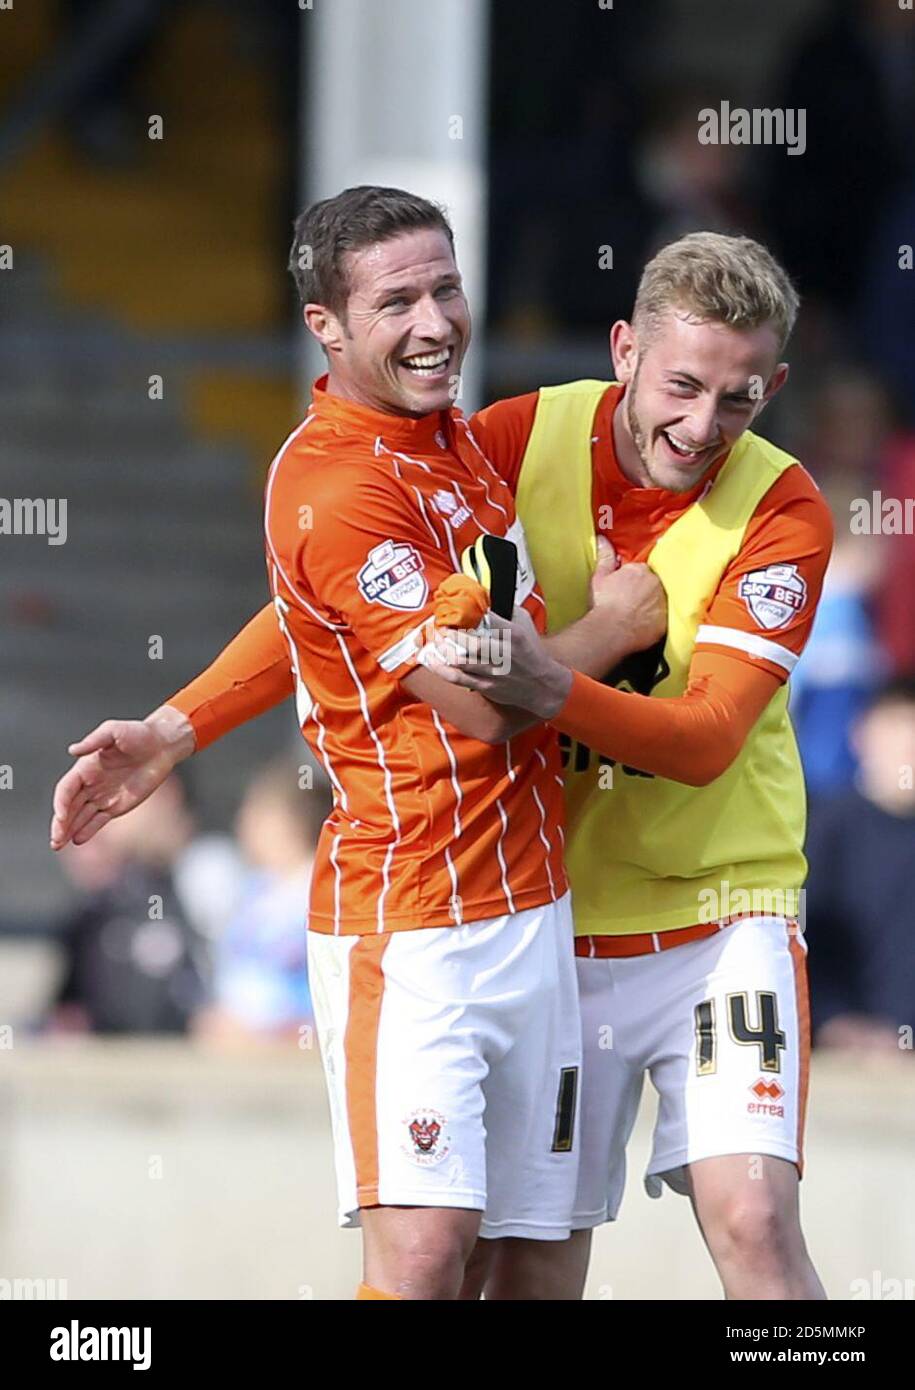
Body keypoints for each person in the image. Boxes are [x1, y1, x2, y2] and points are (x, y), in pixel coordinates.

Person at [49, 185, 665, 1301]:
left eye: (446, 288)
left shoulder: (462, 448)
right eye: (397, 301)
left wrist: (176, 727)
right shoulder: (335, 485)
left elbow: (303, 613)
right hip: (412, 928)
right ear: (326, 326)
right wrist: (614, 629)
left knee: (535, 1263)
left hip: (538, 907)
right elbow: (486, 706)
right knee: (426, 1253)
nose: (435, 321)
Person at [434, 232, 833, 1300]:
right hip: (550, 922)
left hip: (724, 911)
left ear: (776, 386)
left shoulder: (785, 509)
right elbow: (341, 581)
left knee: (753, 1217)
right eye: (684, 385)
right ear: (624, 349)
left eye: (741, 400)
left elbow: (707, 741)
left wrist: (563, 674)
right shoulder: (515, 438)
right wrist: (180, 726)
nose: (704, 428)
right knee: (527, 1263)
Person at [803, 679, 915, 1055]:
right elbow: (799, 938)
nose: (908, 749)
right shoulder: (822, 830)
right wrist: (835, 1023)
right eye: (898, 729)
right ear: (860, 736)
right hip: (845, 1059)